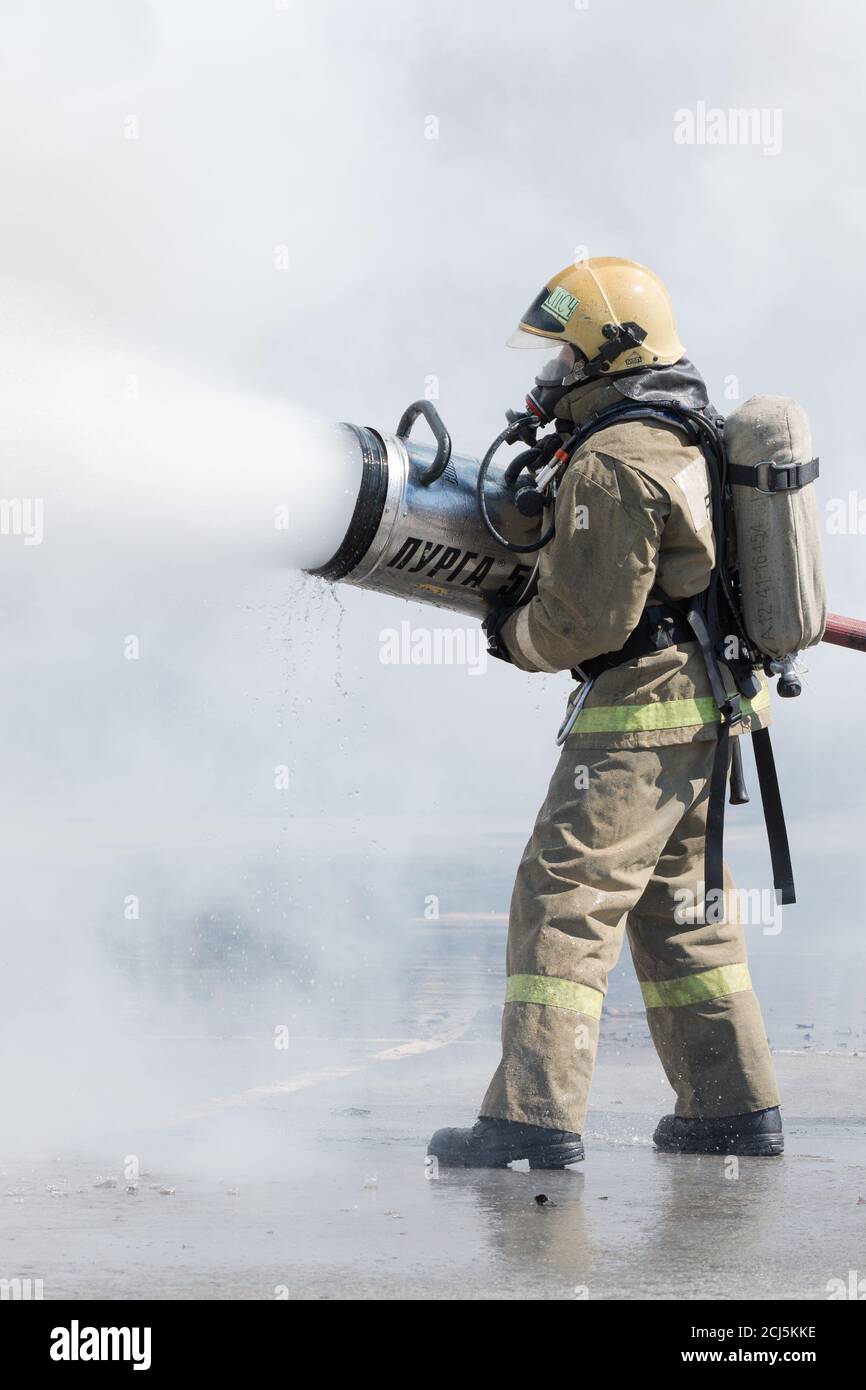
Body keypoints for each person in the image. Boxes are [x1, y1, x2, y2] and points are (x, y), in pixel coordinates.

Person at [427, 257, 783, 1170]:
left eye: (564, 356)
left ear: (606, 352)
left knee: (563, 901)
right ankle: (731, 1109)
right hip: (708, 704)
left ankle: (532, 1120)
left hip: (641, 713)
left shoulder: (613, 460)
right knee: (683, 913)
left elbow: (587, 618)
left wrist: (513, 636)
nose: (551, 378)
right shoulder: (685, 434)